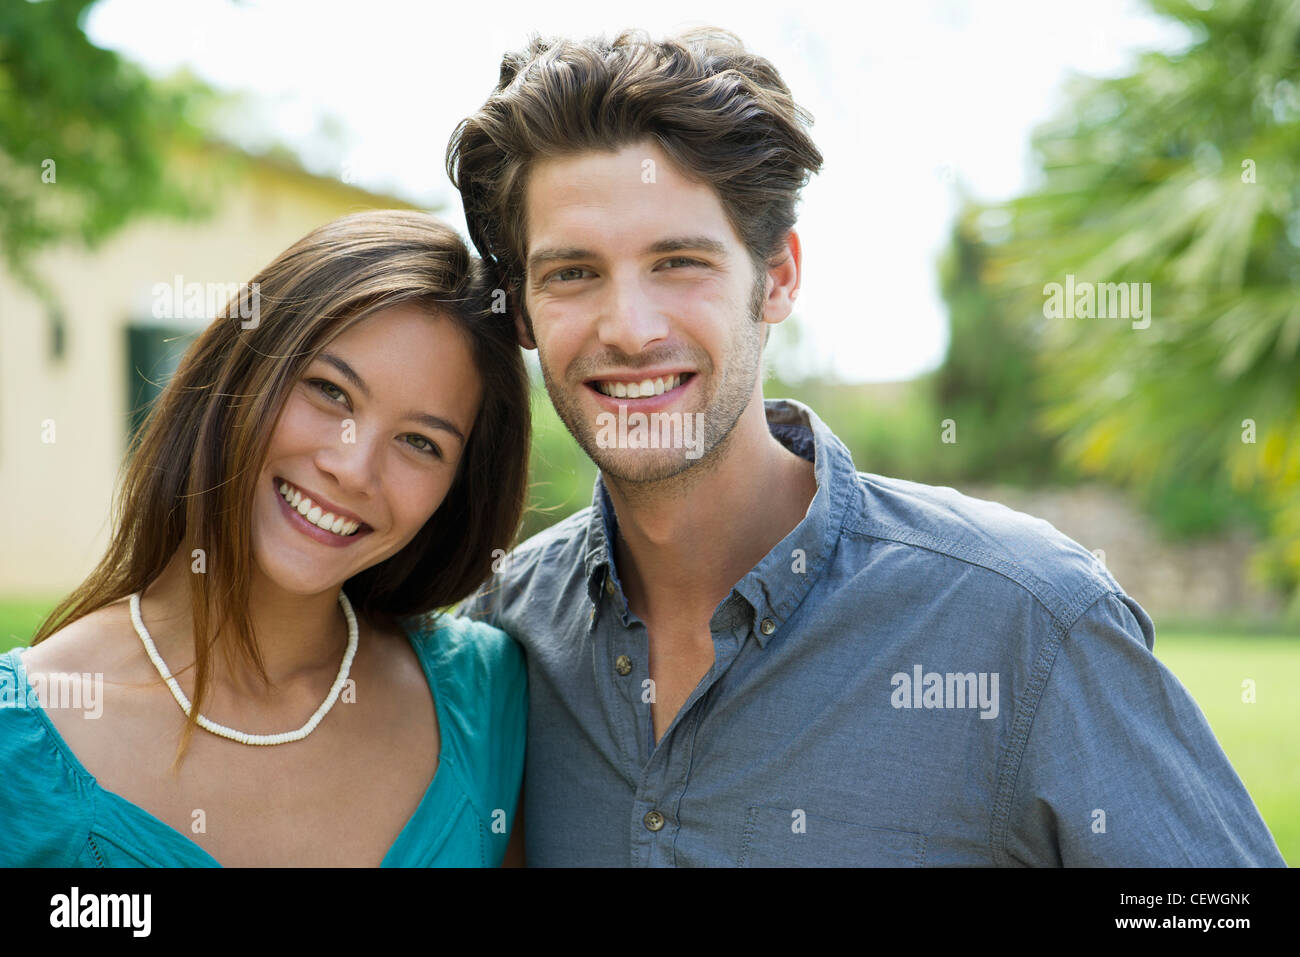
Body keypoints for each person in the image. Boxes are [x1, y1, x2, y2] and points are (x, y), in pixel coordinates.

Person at [448, 27, 1286, 866]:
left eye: (678, 262)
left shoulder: (1030, 622)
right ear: (520, 310)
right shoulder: (501, 638)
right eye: (571, 273)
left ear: (776, 278)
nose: (629, 329)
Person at [0, 210, 531, 867]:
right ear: (239, 375)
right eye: (329, 391)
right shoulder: (18, 748)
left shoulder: (487, 698)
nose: (352, 466)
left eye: (420, 442)